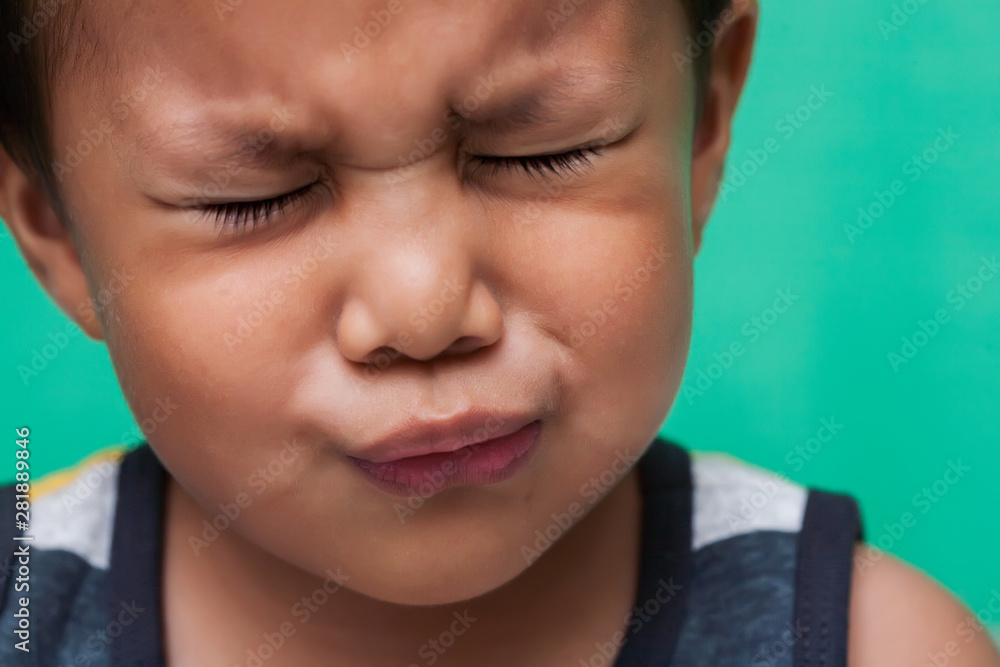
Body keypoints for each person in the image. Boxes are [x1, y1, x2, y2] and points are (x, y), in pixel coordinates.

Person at [1, 0, 998, 665]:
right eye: (253, 198)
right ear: (55, 228)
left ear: (705, 119)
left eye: (546, 151)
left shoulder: (868, 645)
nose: (425, 310)